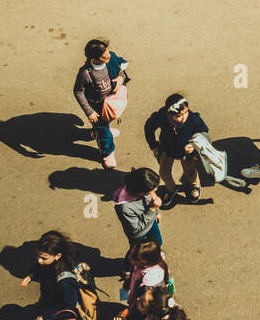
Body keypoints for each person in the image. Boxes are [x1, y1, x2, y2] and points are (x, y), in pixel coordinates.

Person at [143, 94, 246, 206]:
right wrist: (153, 144)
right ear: (169, 114)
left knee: (190, 170)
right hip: (167, 149)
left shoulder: (193, 119)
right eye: (178, 116)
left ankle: (194, 185)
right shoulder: (161, 116)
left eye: (185, 113)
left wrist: (193, 146)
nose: (183, 118)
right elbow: (149, 126)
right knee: (164, 172)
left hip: (187, 154)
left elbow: (204, 132)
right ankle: (171, 188)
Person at [12, 230, 84, 320]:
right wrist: (32, 275)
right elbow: (39, 267)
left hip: (58, 308)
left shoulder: (65, 281)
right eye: (38, 256)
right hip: (49, 298)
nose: (39, 260)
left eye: (43, 258)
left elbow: (68, 306)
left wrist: (47, 316)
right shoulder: (50, 263)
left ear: (58, 256)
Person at [73, 38, 130, 169]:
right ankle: (107, 153)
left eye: (108, 52)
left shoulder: (111, 58)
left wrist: (121, 79)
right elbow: (78, 91)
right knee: (104, 133)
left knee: (104, 126)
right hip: (97, 107)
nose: (109, 56)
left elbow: (121, 70)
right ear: (94, 58)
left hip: (110, 101)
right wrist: (89, 111)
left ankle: (97, 131)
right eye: (105, 56)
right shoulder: (85, 73)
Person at [112, 240, 170, 320]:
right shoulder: (147, 262)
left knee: (139, 318)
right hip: (136, 298)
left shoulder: (149, 284)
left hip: (142, 308)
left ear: (144, 262)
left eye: (132, 257)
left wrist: (127, 313)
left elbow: (140, 304)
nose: (129, 257)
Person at [113, 168, 163, 246]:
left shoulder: (144, 186)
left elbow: (152, 198)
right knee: (139, 253)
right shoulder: (125, 208)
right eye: (152, 191)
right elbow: (135, 229)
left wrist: (157, 212)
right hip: (139, 235)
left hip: (151, 222)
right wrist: (153, 209)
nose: (155, 191)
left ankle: (155, 254)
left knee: (158, 243)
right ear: (141, 192)